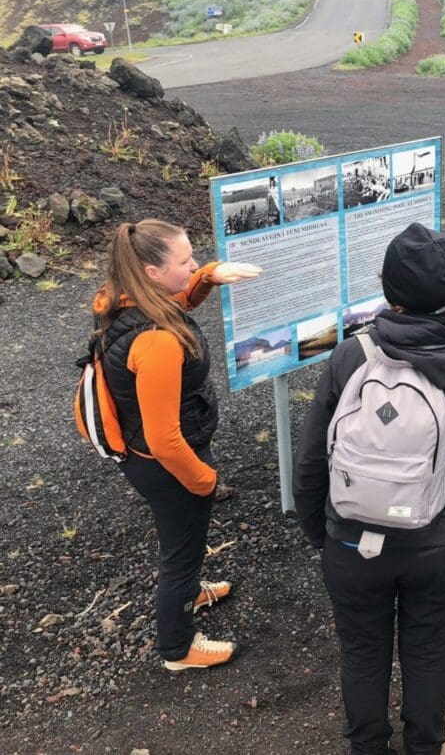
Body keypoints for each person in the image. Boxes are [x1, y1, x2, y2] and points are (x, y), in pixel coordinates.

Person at [293, 223, 445, 755]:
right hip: (437, 541)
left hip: (351, 538)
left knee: (361, 650)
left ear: (388, 290)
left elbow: (312, 455)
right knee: (428, 650)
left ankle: (368, 746)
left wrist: (319, 531)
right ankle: (426, 744)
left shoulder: (349, 357)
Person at [91, 219, 260, 670]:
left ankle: (189, 596)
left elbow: (178, 299)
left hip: (136, 448)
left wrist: (206, 277)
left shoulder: (120, 299)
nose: (192, 266)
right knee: (182, 550)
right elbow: (166, 439)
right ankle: (178, 647)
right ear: (151, 272)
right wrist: (204, 480)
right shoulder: (158, 343)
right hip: (163, 462)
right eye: (185, 261)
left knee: (183, 541)